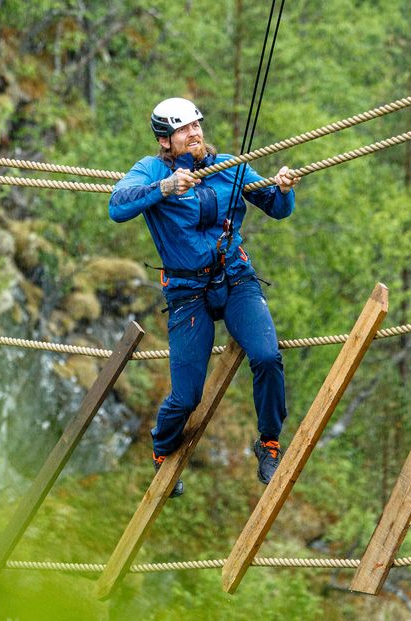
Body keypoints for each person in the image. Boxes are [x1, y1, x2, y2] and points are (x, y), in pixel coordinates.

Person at [108, 97, 299, 497]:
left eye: (196, 125)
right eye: (183, 129)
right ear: (165, 140)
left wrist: (282, 189)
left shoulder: (228, 167)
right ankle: (162, 448)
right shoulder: (150, 170)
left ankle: (268, 443)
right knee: (186, 395)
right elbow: (117, 205)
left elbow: (277, 209)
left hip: (235, 279)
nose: (194, 133)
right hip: (187, 293)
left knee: (267, 356)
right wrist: (164, 187)